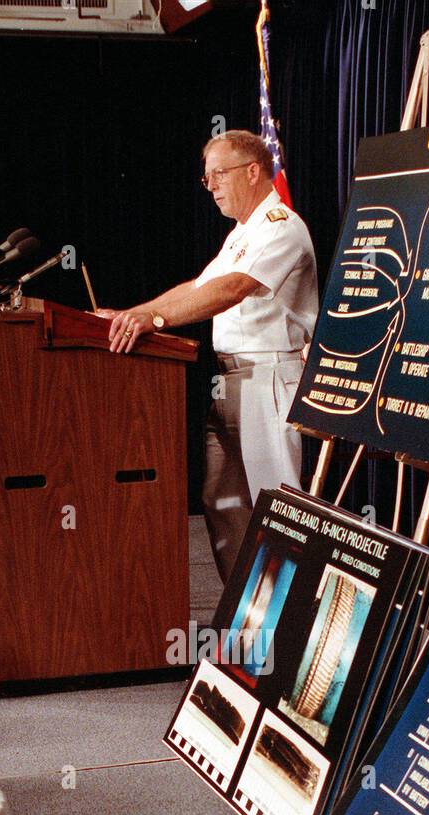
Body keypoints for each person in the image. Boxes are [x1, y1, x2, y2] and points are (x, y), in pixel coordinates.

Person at [104, 130, 319, 581]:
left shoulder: (282, 226)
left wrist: (156, 322)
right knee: (220, 498)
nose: (213, 186)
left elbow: (231, 289)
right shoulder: (243, 233)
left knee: (278, 508)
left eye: (219, 175)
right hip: (230, 382)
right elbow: (198, 288)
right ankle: (245, 612)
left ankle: (289, 623)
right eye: (207, 179)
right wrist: (133, 313)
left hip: (267, 380)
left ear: (253, 171)